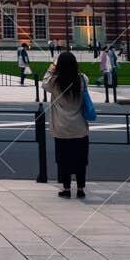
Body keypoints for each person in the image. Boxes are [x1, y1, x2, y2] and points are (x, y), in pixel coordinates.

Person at [43, 51, 91, 198]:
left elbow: (44, 83)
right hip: (79, 127)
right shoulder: (82, 79)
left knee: (63, 159)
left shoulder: (55, 81)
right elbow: (86, 81)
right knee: (80, 160)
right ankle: (81, 188)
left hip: (62, 127)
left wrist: (51, 69)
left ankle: (66, 188)